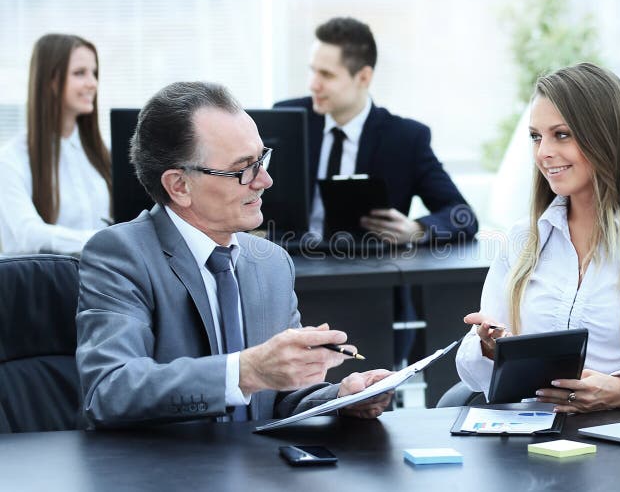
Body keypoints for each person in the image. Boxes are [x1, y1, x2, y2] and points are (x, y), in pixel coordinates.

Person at [75, 81, 392, 427]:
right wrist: (246, 371)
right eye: (244, 169)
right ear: (179, 186)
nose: (265, 180)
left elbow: (279, 398)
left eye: (262, 159)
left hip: (257, 473)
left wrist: (339, 399)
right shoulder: (121, 255)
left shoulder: (271, 262)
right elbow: (109, 390)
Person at [455, 63, 620, 412]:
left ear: (606, 138)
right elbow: (472, 371)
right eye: (536, 136)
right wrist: (489, 347)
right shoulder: (522, 237)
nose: (543, 152)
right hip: (533, 429)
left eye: (561, 134)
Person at [274, 16, 478, 244]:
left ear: (363, 77)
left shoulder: (406, 139)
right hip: (292, 264)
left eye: (327, 75)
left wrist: (417, 229)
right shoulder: (288, 119)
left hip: (369, 271)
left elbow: (463, 216)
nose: (313, 84)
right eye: (313, 71)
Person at [0, 33, 111, 254]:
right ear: (50, 81)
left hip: (102, 281)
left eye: (94, 73)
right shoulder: (12, 159)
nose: (92, 83)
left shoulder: (103, 152)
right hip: (44, 284)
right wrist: (104, 242)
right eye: (80, 73)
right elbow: (28, 235)